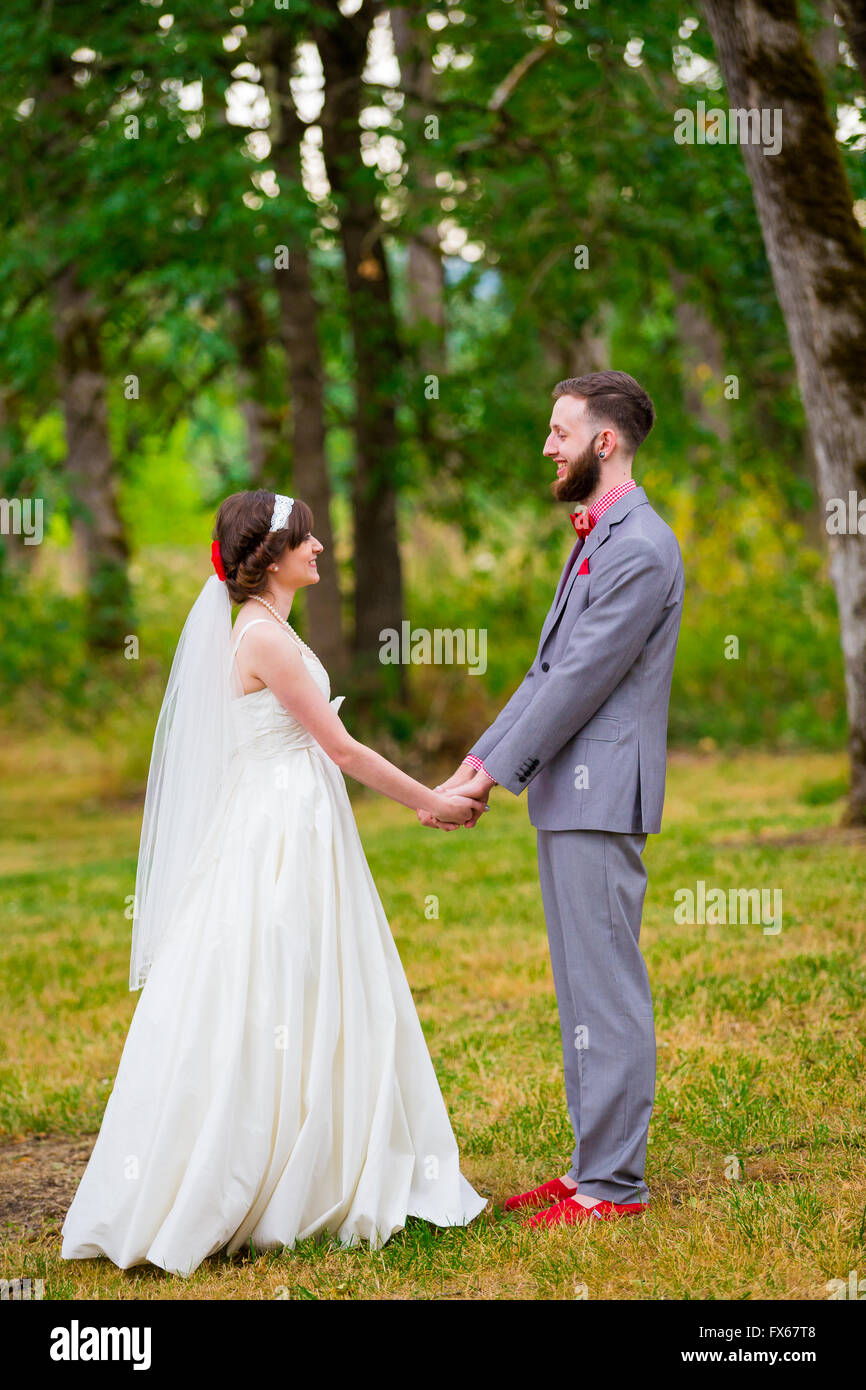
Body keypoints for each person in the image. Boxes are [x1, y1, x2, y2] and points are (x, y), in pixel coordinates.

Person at [61, 489, 487, 1276]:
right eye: (307, 540)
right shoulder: (268, 641)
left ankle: (313, 1152)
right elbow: (345, 751)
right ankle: (258, 1173)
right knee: (279, 982)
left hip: (289, 816)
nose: (320, 549)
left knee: (297, 985)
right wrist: (433, 804)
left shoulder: (262, 630)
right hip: (283, 829)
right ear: (271, 558)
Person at [422, 371, 685, 1229]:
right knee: (580, 991)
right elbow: (543, 673)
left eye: (560, 431)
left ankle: (615, 1187)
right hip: (572, 794)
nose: (547, 446)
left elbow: (578, 682)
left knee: (605, 989)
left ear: (604, 442)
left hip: (602, 793)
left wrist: (494, 775)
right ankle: (589, 1172)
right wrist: (477, 759)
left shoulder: (641, 547)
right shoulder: (595, 539)